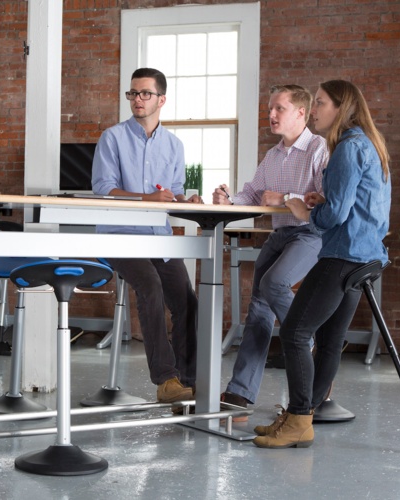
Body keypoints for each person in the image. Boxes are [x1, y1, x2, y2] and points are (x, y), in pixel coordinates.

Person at [252, 80, 391, 449]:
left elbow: (334, 218)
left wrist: (302, 208)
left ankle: (298, 418)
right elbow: (359, 205)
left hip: (342, 254)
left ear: (340, 108)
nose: (314, 110)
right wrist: (323, 199)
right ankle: (303, 415)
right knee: (329, 340)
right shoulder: (369, 145)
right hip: (368, 256)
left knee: (296, 333)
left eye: (321, 103)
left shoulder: (346, 149)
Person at [211, 84, 327, 421]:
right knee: (258, 310)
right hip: (279, 234)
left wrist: (286, 196)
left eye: (279, 108)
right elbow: (252, 194)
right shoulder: (273, 155)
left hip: (311, 233)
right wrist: (228, 200)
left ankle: (304, 344)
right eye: (270, 108)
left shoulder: (319, 149)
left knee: (274, 284)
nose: (271, 114)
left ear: (301, 113)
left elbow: (324, 198)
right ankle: (239, 395)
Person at [92, 67, 203, 405]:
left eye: (144, 94)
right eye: (132, 93)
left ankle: (191, 380)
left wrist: (187, 201)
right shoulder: (112, 138)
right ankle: (166, 380)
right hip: (120, 236)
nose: (137, 99)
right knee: (151, 286)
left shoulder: (174, 144)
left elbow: (175, 193)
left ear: (161, 99)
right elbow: (102, 190)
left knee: (188, 301)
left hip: (159, 237)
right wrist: (146, 199)